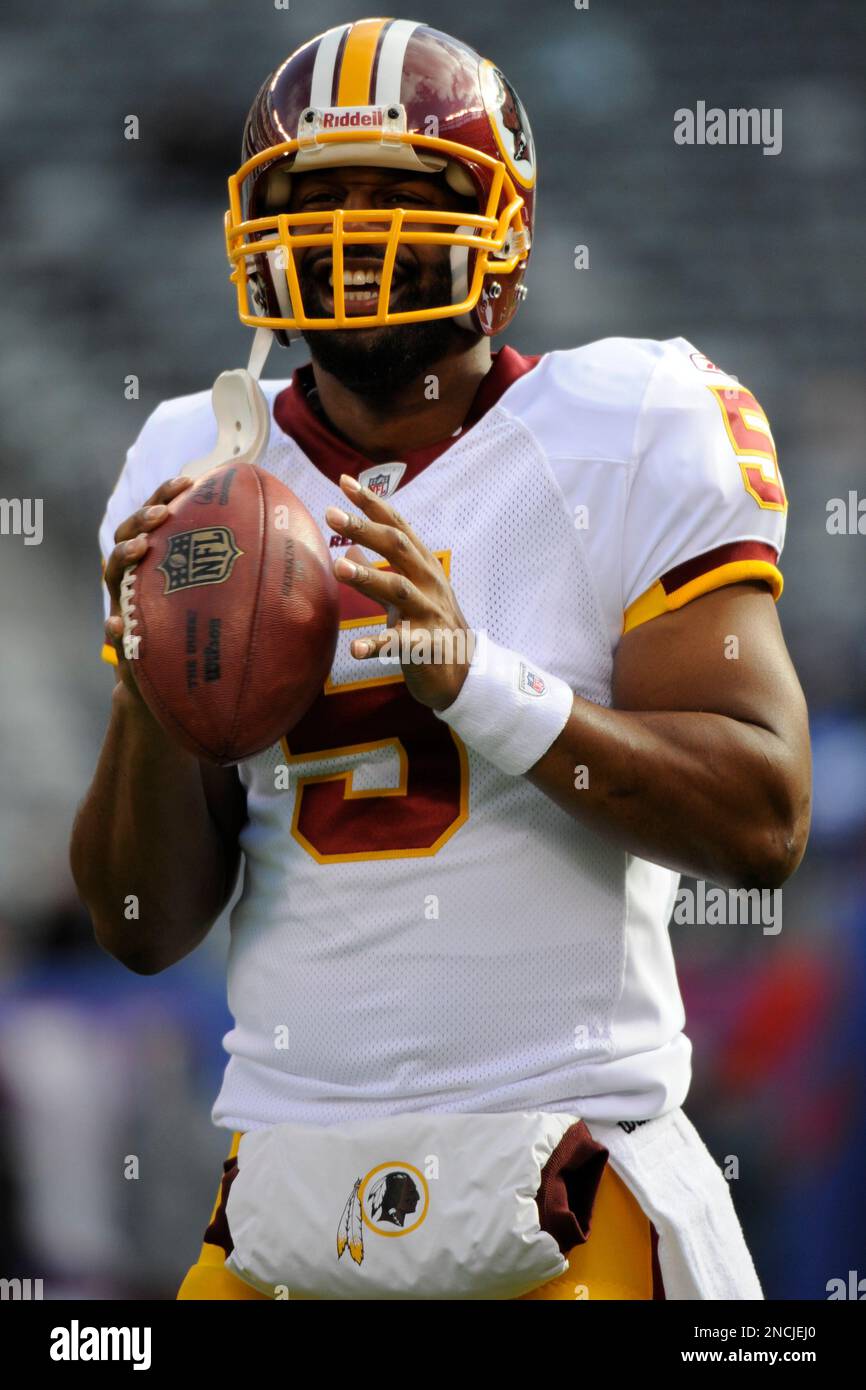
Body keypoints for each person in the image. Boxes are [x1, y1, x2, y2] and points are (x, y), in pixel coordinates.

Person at [71, 18, 811, 1301]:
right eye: (317, 195)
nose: (351, 231)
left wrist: (480, 682)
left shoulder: (630, 427)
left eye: (399, 191)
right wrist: (155, 693)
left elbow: (761, 816)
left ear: (500, 228)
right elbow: (141, 926)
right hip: (282, 1204)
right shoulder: (194, 469)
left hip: (563, 1190)